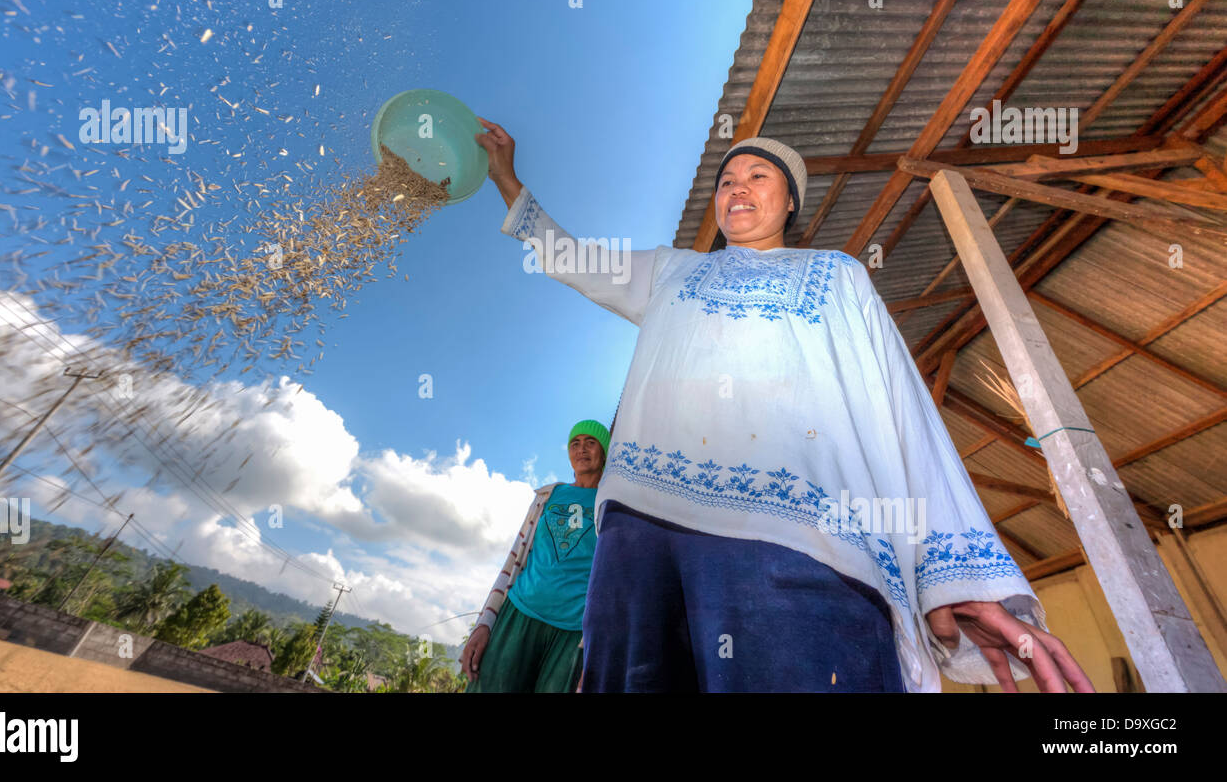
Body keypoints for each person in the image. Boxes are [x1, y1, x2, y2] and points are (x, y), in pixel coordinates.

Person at [474, 117, 1095, 694]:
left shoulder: (838, 275)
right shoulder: (672, 271)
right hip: (640, 530)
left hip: (797, 542)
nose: (735, 189)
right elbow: (571, 260)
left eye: (756, 176)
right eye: (726, 181)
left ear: (791, 200)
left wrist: (948, 573)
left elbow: (900, 410)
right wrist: (506, 178)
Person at [460, 419, 609, 692]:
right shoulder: (548, 495)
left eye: (591, 442)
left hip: (573, 632)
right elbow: (514, 559)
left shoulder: (611, 506)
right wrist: (484, 625)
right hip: (519, 613)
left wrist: (597, 654)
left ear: (604, 451)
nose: (582, 449)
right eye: (575, 443)